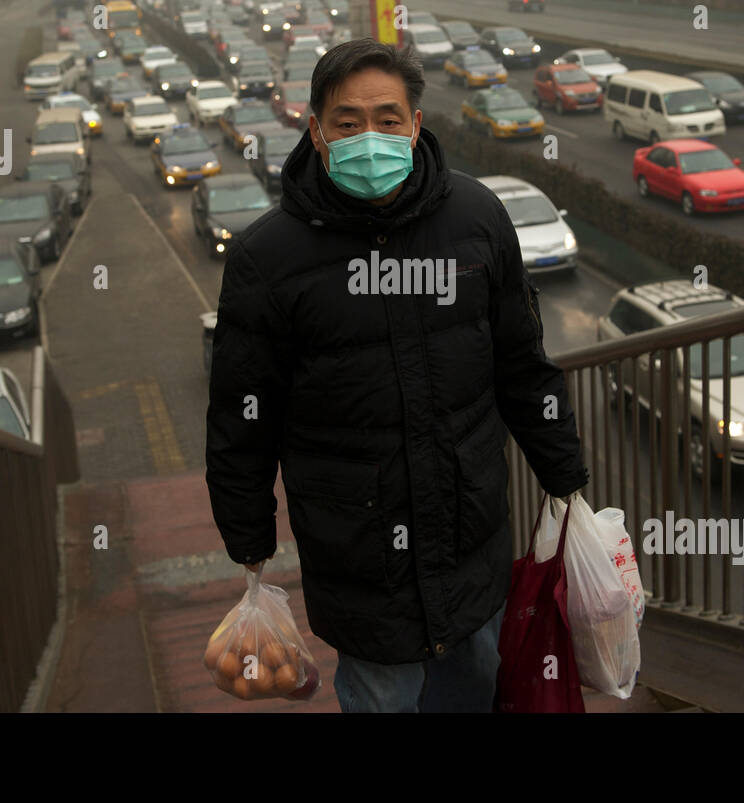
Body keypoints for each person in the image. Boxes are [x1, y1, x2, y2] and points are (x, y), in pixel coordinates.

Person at [205, 39, 589, 713]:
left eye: (387, 119)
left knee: (476, 686)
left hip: (470, 539)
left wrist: (566, 479)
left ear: (416, 125)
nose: (369, 137)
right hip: (359, 560)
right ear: (317, 131)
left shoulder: (476, 221)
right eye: (347, 123)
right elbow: (243, 417)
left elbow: (522, 366)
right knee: (383, 697)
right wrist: (249, 544)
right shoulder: (267, 259)